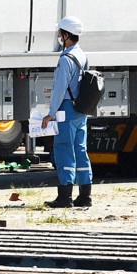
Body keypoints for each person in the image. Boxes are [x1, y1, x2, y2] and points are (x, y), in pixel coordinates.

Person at [40, 16, 94, 208]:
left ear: (66, 35)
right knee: (80, 150)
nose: (58, 36)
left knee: (64, 150)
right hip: (80, 110)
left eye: (60, 33)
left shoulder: (65, 59)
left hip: (66, 110)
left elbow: (59, 89)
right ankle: (85, 196)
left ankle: (65, 196)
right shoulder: (82, 55)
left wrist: (51, 113)